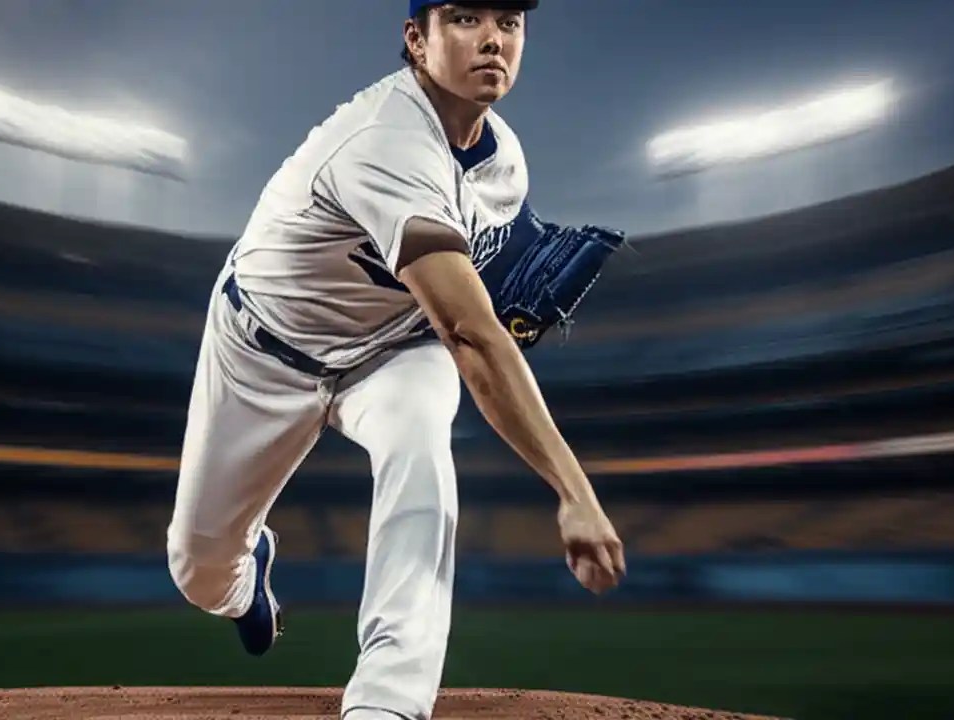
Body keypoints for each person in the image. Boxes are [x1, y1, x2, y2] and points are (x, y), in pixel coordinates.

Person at [165, 2, 626, 718]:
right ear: (416, 40)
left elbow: (480, 299)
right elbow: (474, 335)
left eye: (509, 21)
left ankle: (387, 701)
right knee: (197, 570)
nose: (494, 39)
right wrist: (575, 492)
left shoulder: (504, 159)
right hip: (263, 354)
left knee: (420, 444)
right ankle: (245, 578)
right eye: (467, 18)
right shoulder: (386, 139)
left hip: (394, 351)